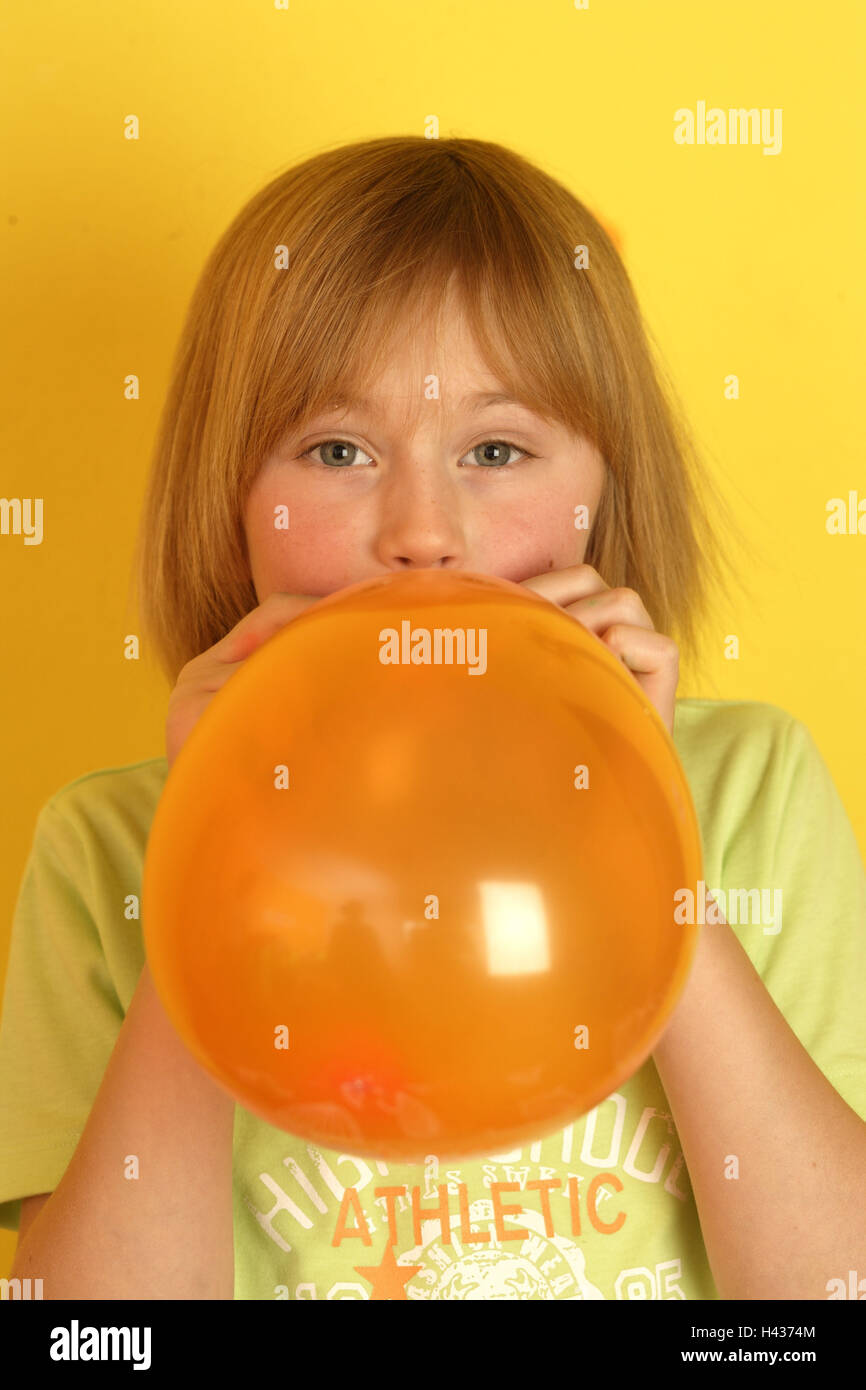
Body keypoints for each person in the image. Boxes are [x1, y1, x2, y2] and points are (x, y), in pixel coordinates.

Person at [2, 136, 865, 1302]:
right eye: (338, 449)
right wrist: (210, 851)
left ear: (603, 492)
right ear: (231, 499)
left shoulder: (750, 783)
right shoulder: (103, 847)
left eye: (497, 449)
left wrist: (637, 814)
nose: (423, 531)